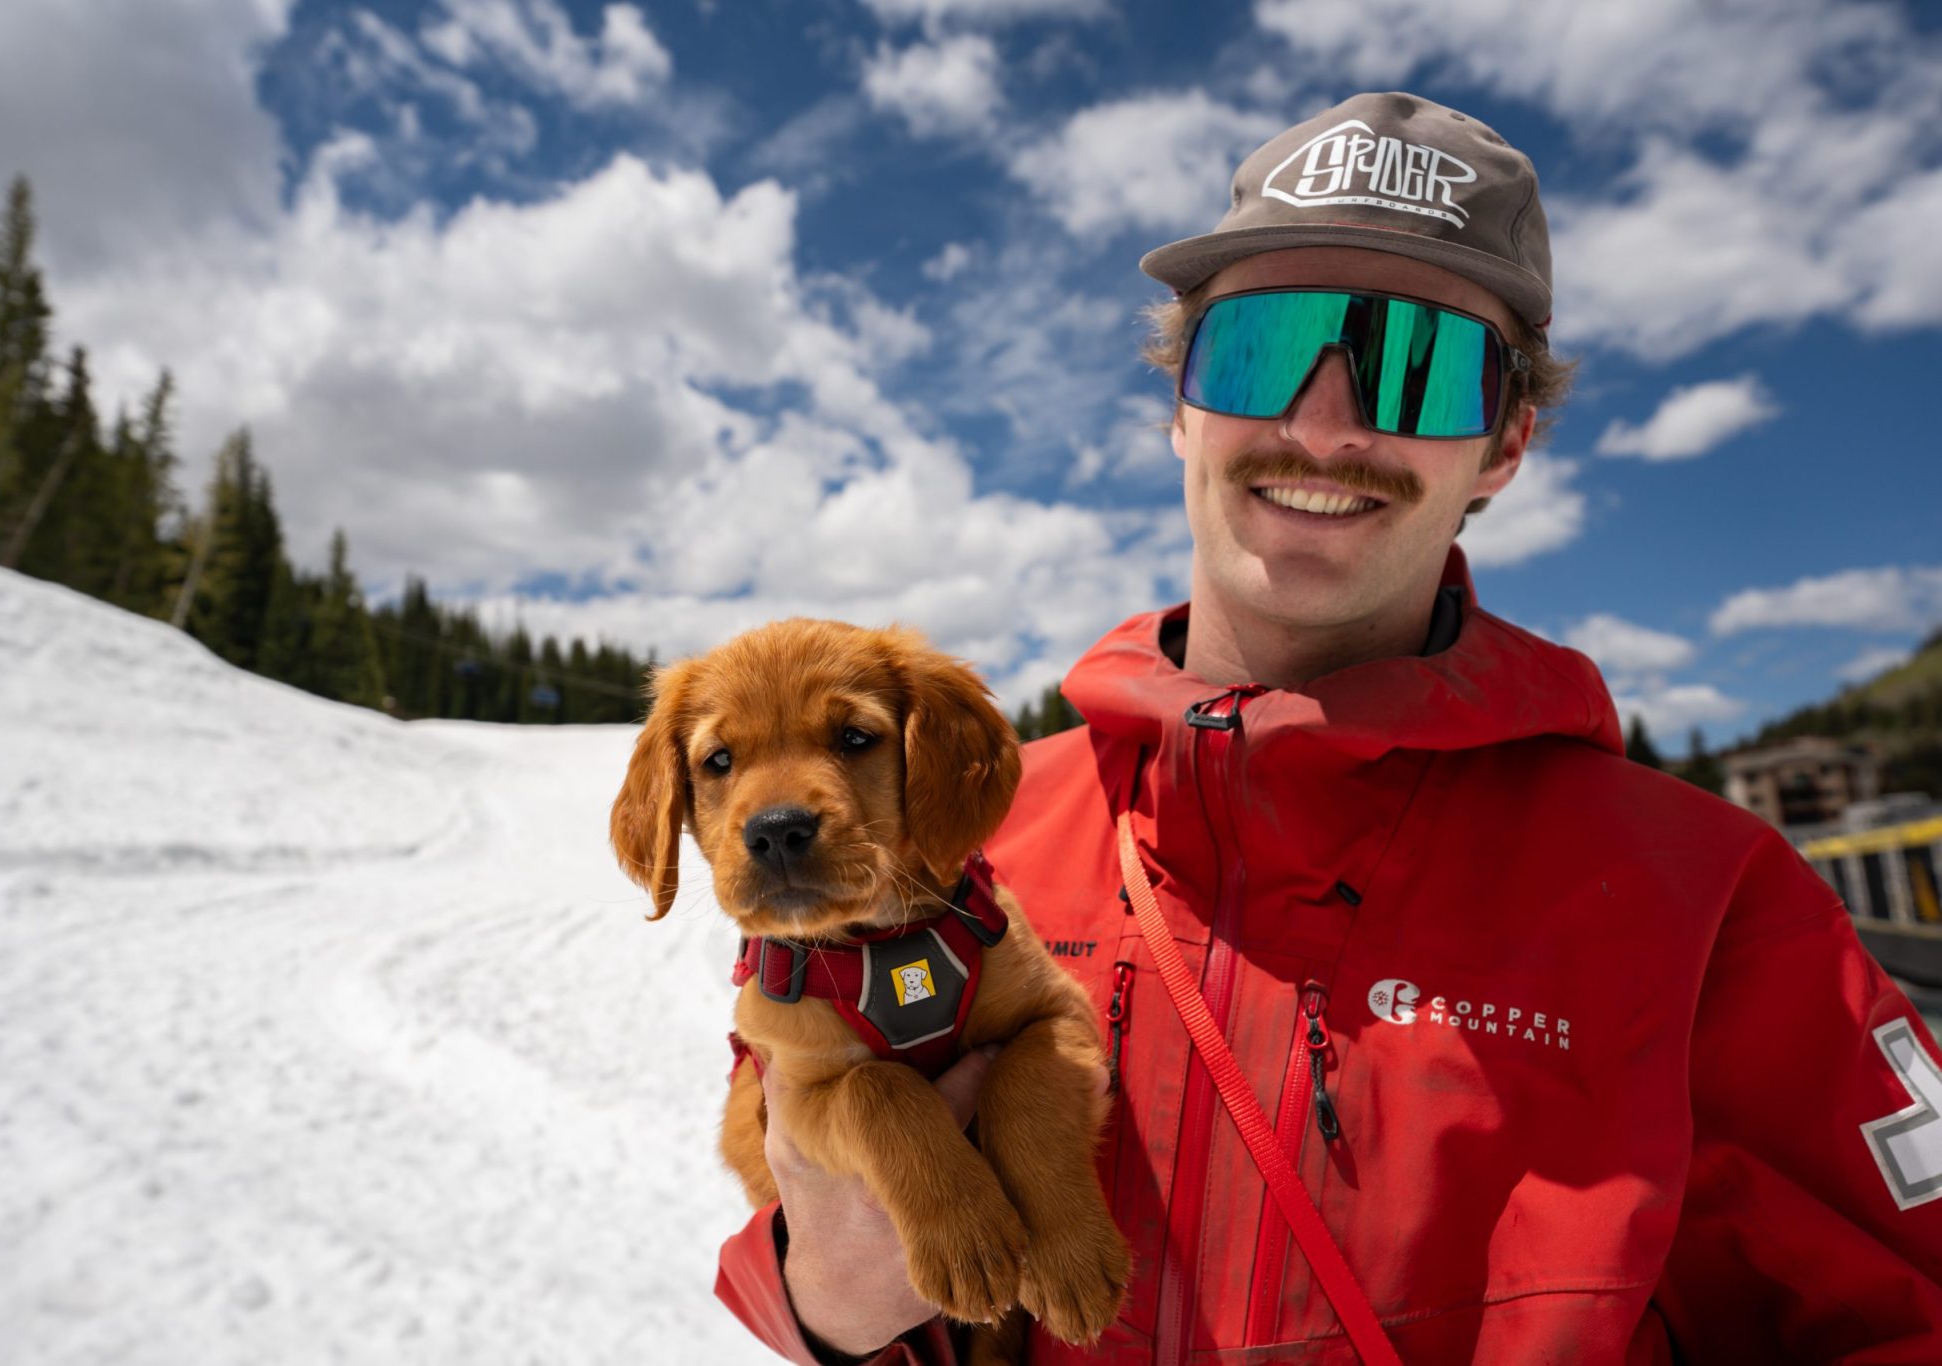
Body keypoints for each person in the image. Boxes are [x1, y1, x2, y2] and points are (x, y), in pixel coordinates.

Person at [712, 90, 1942, 1362]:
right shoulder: (963, 832)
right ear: (1182, 405)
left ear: (1505, 443)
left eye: (1417, 366)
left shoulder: (1709, 901)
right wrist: (825, 1305)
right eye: (1258, 349)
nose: (1323, 423)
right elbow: (791, 1175)